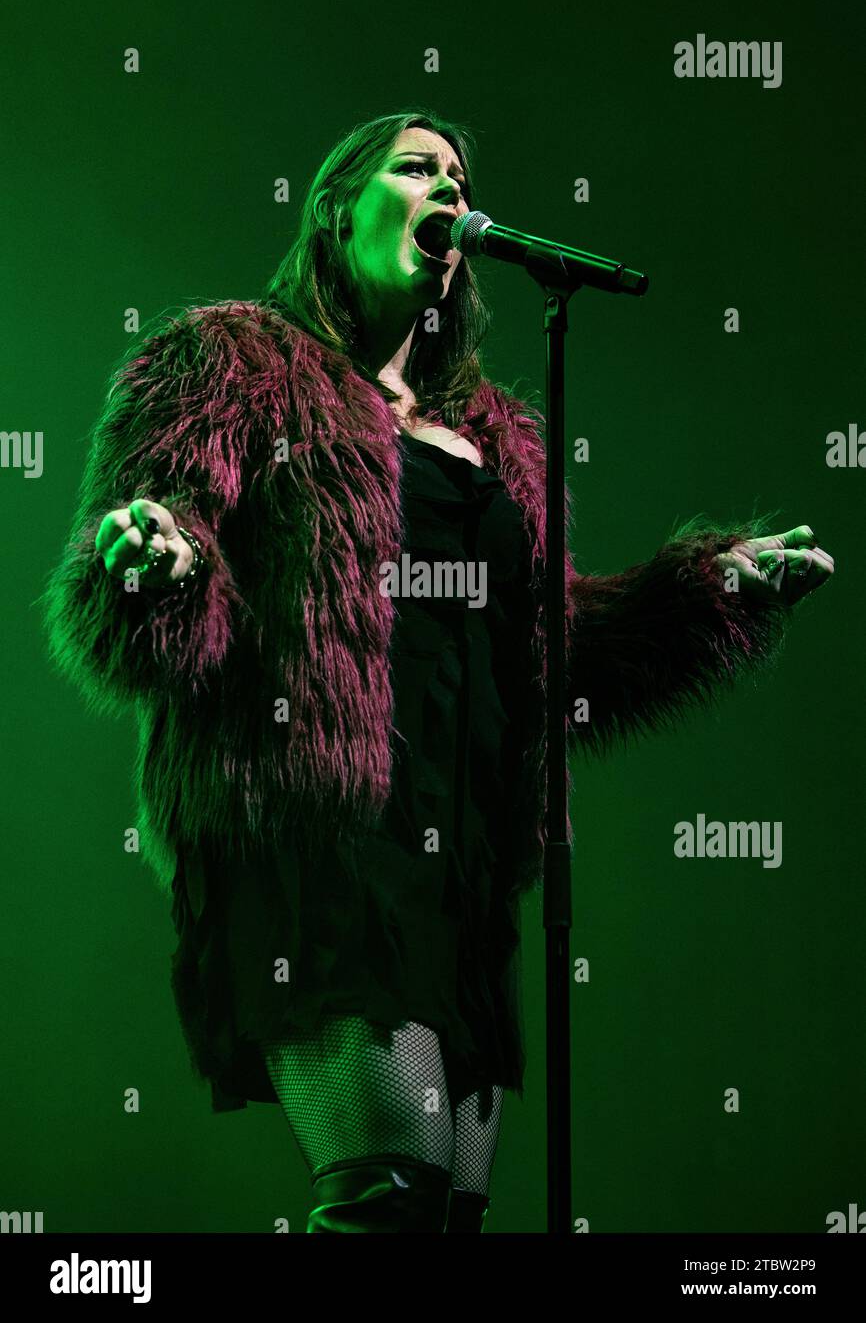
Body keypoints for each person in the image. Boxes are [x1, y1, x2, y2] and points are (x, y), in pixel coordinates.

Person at [40, 109, 834, 1234]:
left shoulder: (493, 435)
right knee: (387, 1198)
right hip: (313, 844)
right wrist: (156, 563)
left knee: (449, 1215)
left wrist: (705, 594)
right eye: (414, 169)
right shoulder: (230, 363)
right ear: (334, 206)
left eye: (458, 176)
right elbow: (151, 543)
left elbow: (553, 654)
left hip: (455, 862)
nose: (447, 189)